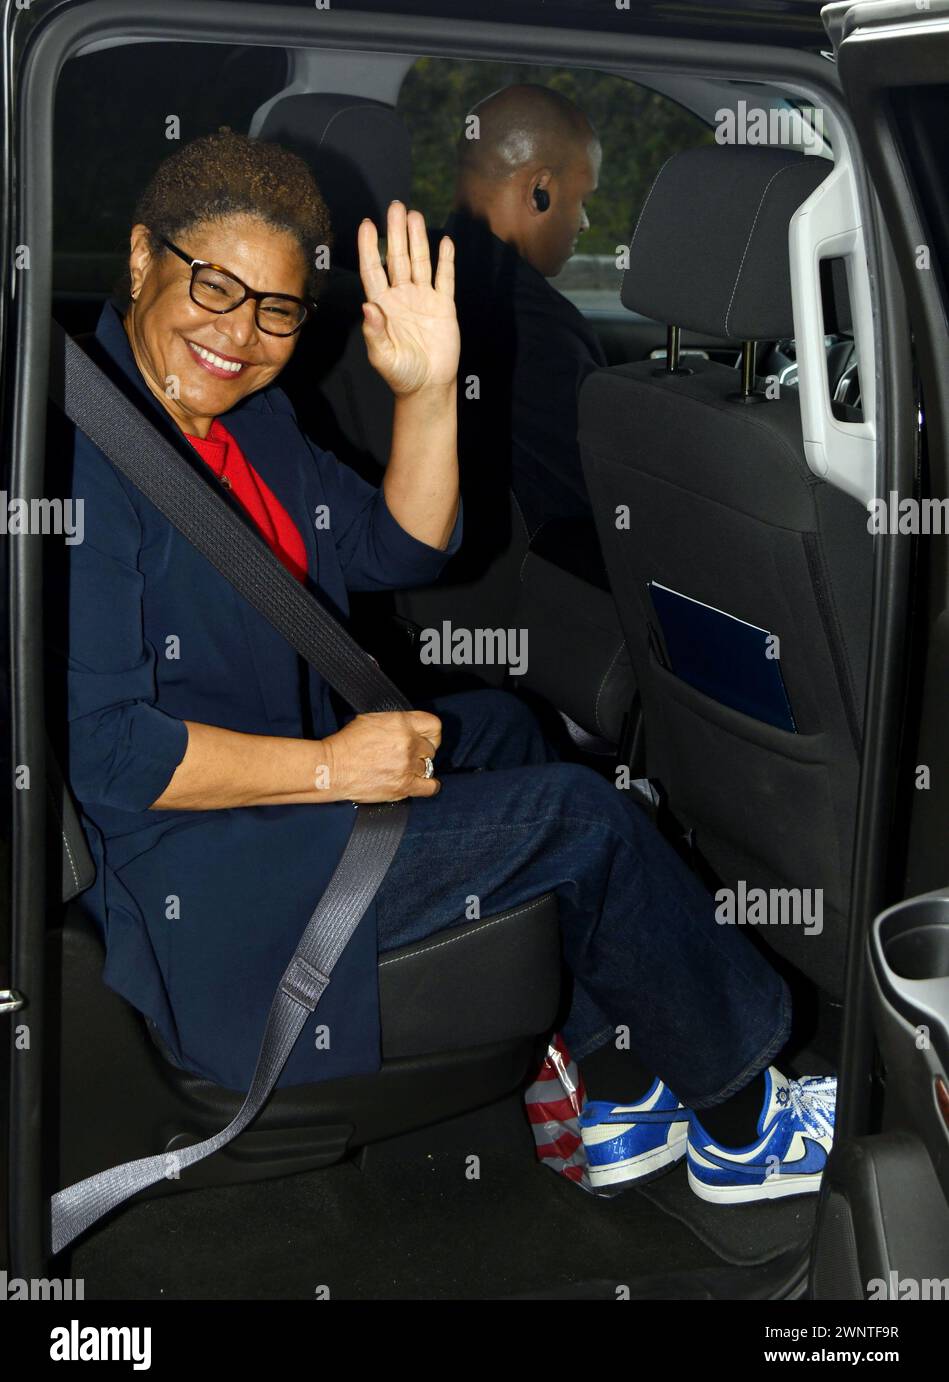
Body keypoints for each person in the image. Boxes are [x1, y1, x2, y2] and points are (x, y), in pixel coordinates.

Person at [50, 129, 835, 1206]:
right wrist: (335, 769)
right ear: (142, 258)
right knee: (576, 816)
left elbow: (398, 547)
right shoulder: (86, 464)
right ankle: (744, 1126)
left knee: (503, 730)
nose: (240, 333)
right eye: (216, 286)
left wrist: (428, 387)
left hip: (262, 811)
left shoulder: (243, 415)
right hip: (200, 877)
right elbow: (107, 756)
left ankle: (613, 1083)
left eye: (277, 308)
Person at [443, 84, 607, 542]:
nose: (585, 222)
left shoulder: (415, 279)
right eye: (584, 199)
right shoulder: (536, 330)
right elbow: (591, 502)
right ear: (540, 192)